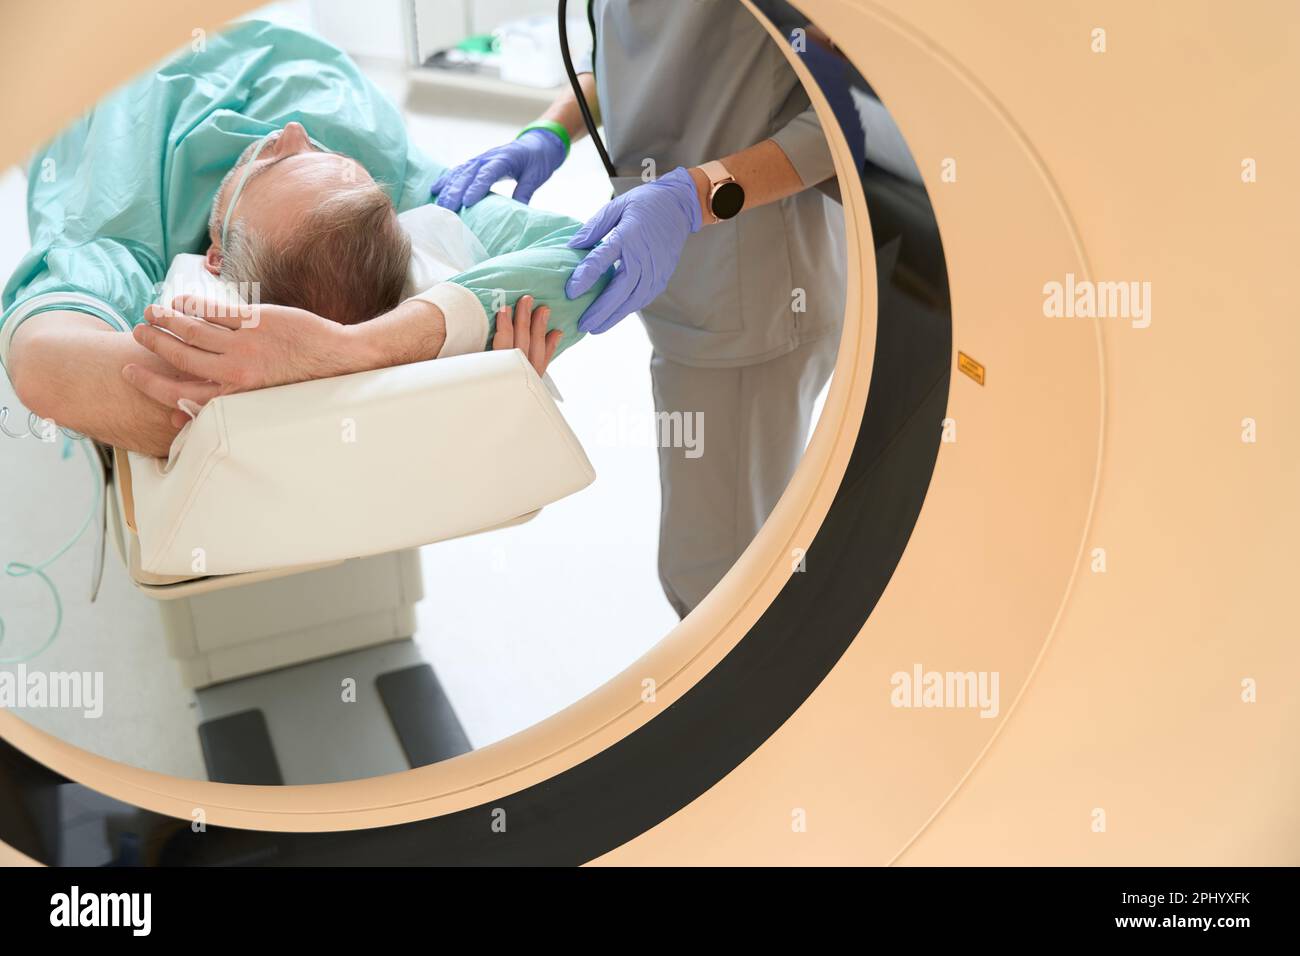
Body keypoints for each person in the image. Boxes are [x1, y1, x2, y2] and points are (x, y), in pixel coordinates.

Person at [2, 21, 606, 457]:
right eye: (324, 152)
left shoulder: (126, 220)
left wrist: (315, 371)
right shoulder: (408, 191)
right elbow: (592, 258)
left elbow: (41, 362)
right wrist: (397, 354)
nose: (291, 131)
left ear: (217, 257)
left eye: (269, 165)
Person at [433, 1, 847, 616]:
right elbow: (635, 64)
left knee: (717, 583)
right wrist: (548, 131)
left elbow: (849, 108)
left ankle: (763, 708)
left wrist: (696, 196)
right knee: (732, 560)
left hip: (753, 291)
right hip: (692, 285)